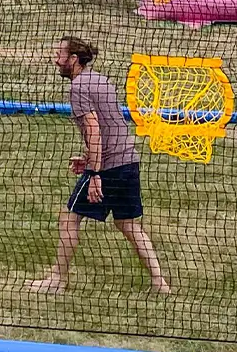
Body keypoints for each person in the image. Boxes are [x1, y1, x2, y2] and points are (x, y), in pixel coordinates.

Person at [28, 37, 171, 295]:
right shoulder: (101, 80)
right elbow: (110, 126)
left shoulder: (78, 88)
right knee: (127, 224)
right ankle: (160, 282)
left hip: (109, 167)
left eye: (60, 54)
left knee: (69, 218)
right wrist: (87, 159)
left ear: (73, 60)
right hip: (128, 160)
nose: (55, 59)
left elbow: (94, 130)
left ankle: (57, 280)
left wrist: (94, 173)